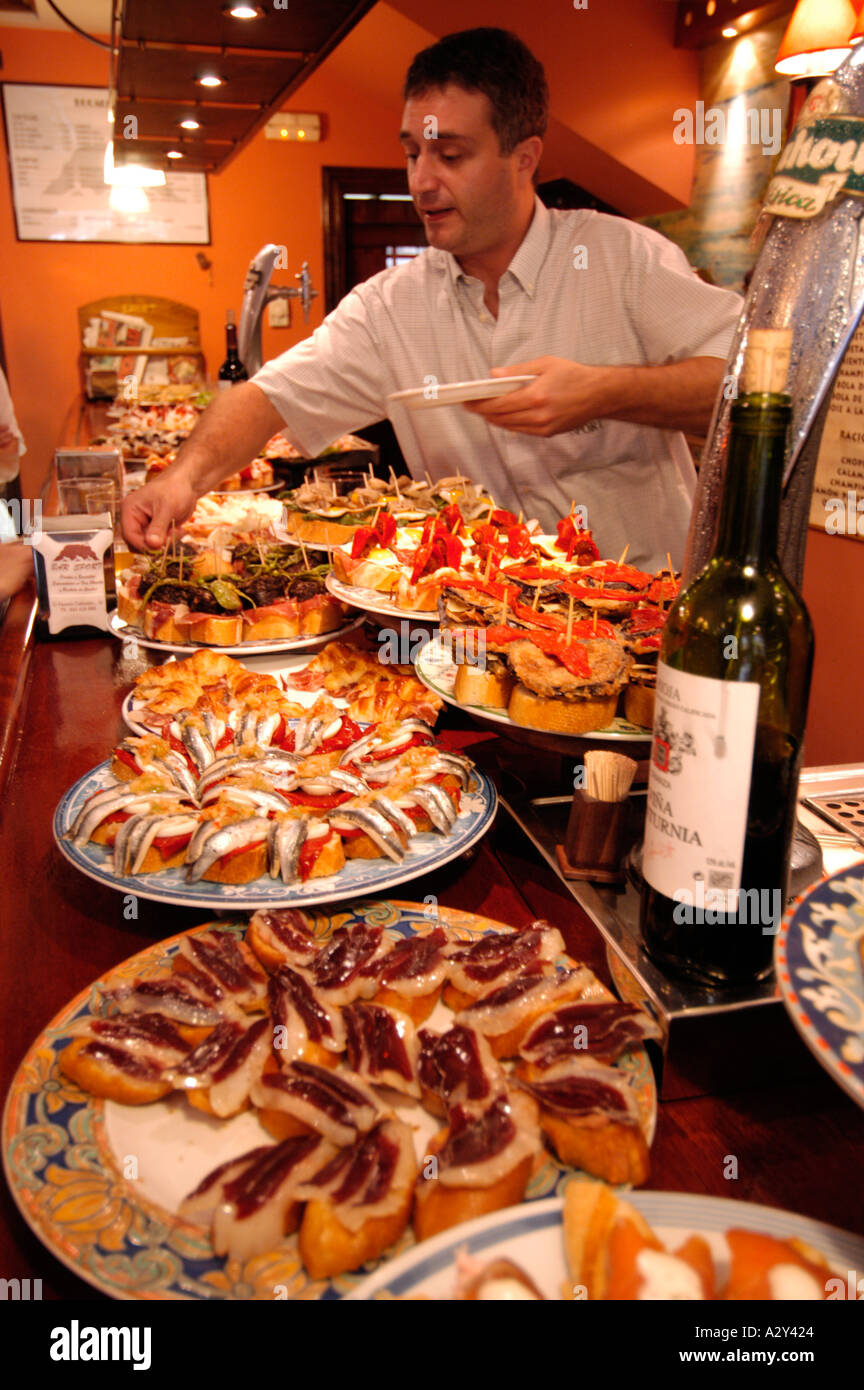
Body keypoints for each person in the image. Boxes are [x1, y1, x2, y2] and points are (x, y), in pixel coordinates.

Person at [123, 27, 742, 571]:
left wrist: (605, 392)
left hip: (638, 621)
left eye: (450, 155)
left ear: (524, 157)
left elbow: (746, 391)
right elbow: (266, 398)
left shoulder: (621, 258)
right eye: (412, 153)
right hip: (469, 633)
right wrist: (181, 479)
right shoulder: (391, 308)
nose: (422, 181)